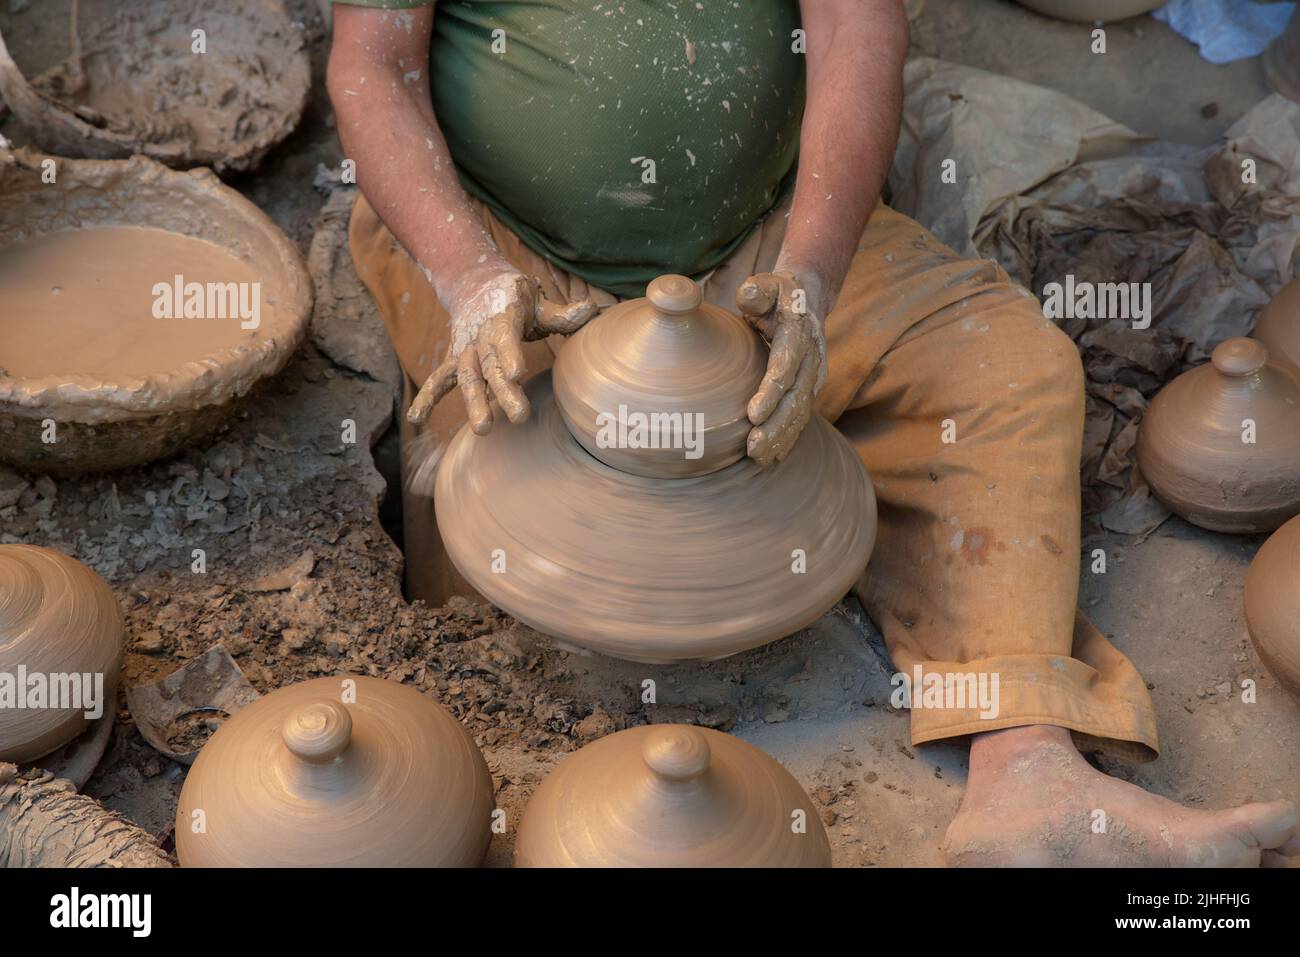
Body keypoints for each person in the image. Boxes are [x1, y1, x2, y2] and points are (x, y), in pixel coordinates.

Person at [328, 0, 1298, 865]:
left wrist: (814, 274)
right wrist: (467, 279)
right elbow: (374, 60)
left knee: (1002, 371)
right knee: (495, 494)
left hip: (766, 231)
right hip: (502, 247)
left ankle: (1026, 772)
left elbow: (855, 25)